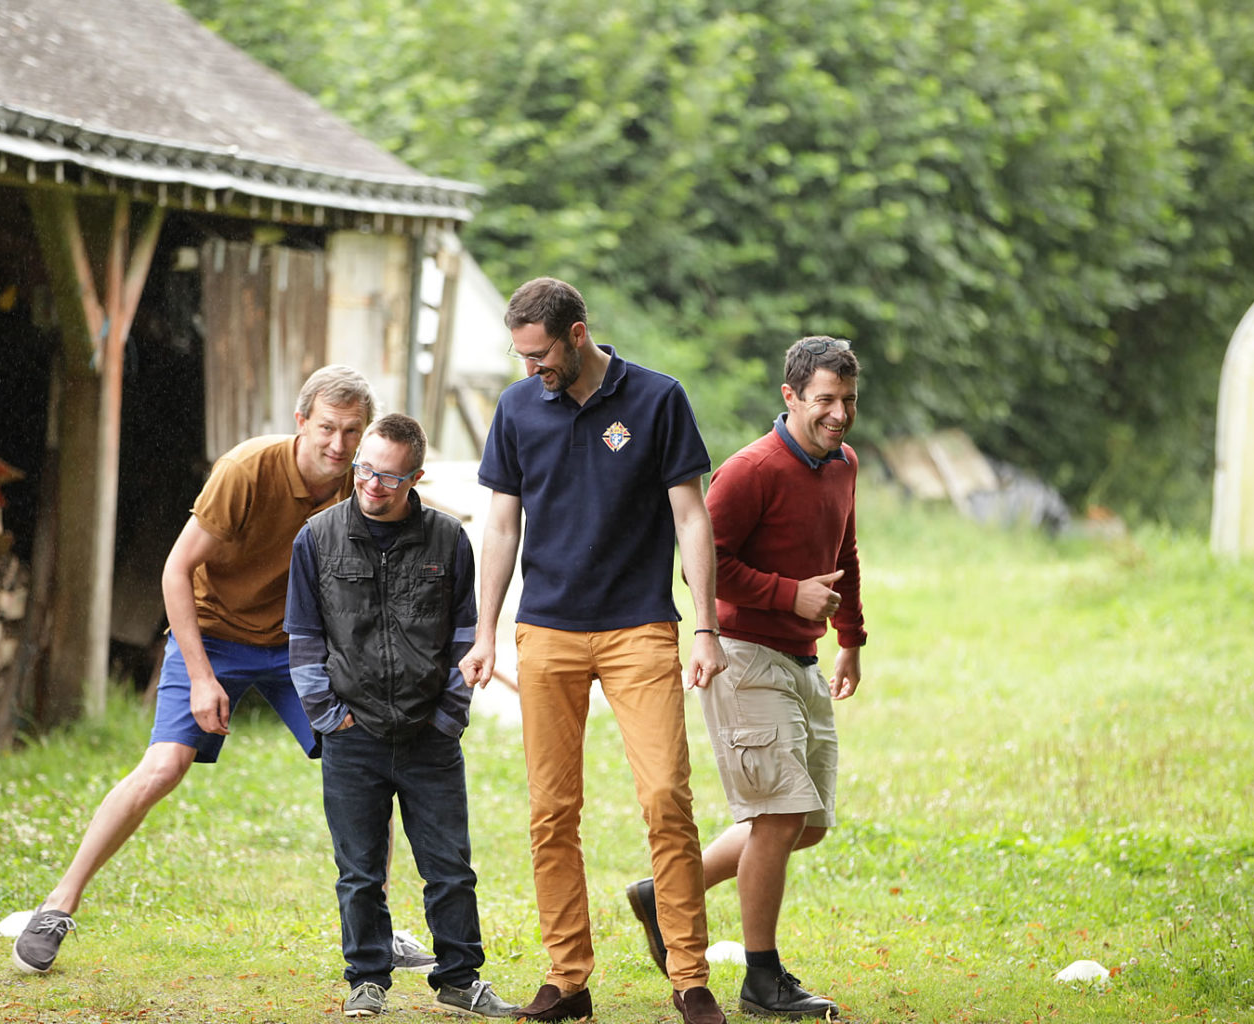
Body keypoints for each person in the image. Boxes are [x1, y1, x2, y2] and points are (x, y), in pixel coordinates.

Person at [12, 366, 433, 976]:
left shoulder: (361, 486)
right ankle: (55, 907)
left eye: (351, 432)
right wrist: (205, 676)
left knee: (365, 763)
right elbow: (175, 570)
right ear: (301, 423)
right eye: (326, 428)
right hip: (213, 633)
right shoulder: (247, 470)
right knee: (163, 766)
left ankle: (377, 927)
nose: (338, 445)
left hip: (297, 646)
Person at [458, 277, 730, 1024]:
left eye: (540, 354)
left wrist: (704, 625)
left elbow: (691, 519)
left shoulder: (656, 399)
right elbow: (502, 526)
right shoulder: (517, 408)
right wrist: (485, 632)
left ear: (577, 336)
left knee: (666, 798)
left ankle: (690, 977)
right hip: (546, 630)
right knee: (551, 812)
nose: (529, 369)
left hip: (640, 625)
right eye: (520, 356)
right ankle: (567, 980)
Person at [625, 336, 865, 1020]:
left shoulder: (843, 463)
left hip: (805, 657)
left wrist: (851, 637)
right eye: (825, 401)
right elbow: (706, 562)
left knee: (805, 823)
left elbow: (843, 549)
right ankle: (762, 978)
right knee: (779, 815)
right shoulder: (750, 470)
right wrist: (790, 596)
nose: (840, 414)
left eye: (848, 400)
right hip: (743, 651)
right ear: (790, 396)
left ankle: (665, 893)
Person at [286, 413, 518, 1019]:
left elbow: (468, 636)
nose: (372, 485)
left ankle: (460, 979)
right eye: (365, 469)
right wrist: (329, 718)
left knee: (449, 868)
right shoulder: (316, 538)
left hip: (429, 736)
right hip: (351, 736)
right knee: (359, 872)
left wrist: (448, 716)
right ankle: (367, 978)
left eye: (389, 477)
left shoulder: (447, 539)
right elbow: (304, 639)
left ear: (416, 476)